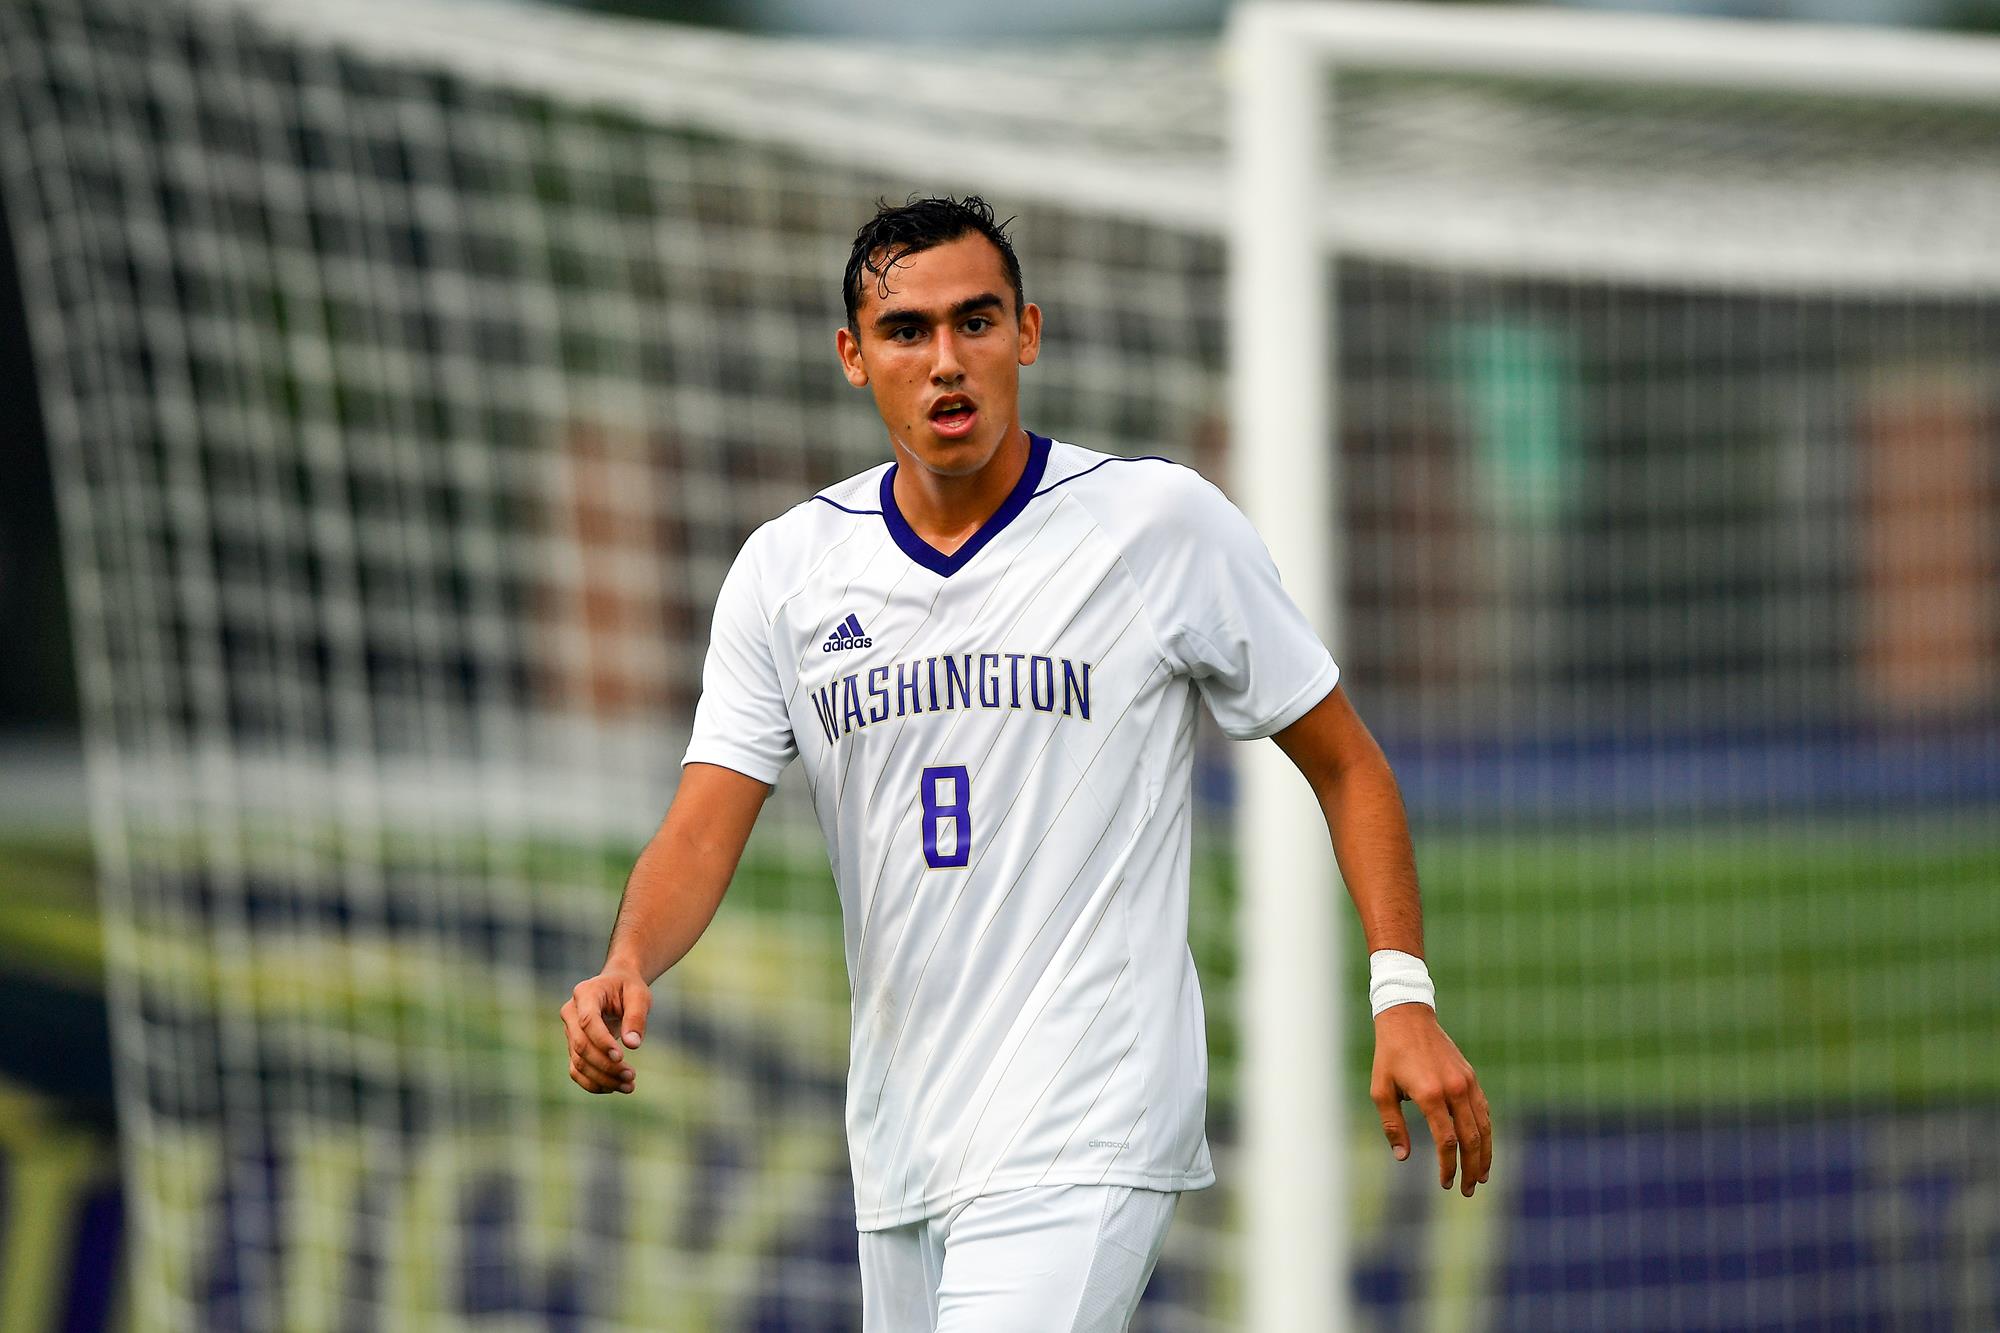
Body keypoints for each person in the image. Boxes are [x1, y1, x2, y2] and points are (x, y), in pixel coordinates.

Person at [560, 196, 1490, 1330]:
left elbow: (1346, 763)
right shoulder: (786, 572)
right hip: (901, 1140)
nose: (945, 360)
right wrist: (629, 960)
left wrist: (1402, 994)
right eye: (907, 332)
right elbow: (703, 823)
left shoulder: (1156, 526)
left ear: (1027, 334)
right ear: (853, 358)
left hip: (1088, 1117)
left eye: (976, 321)